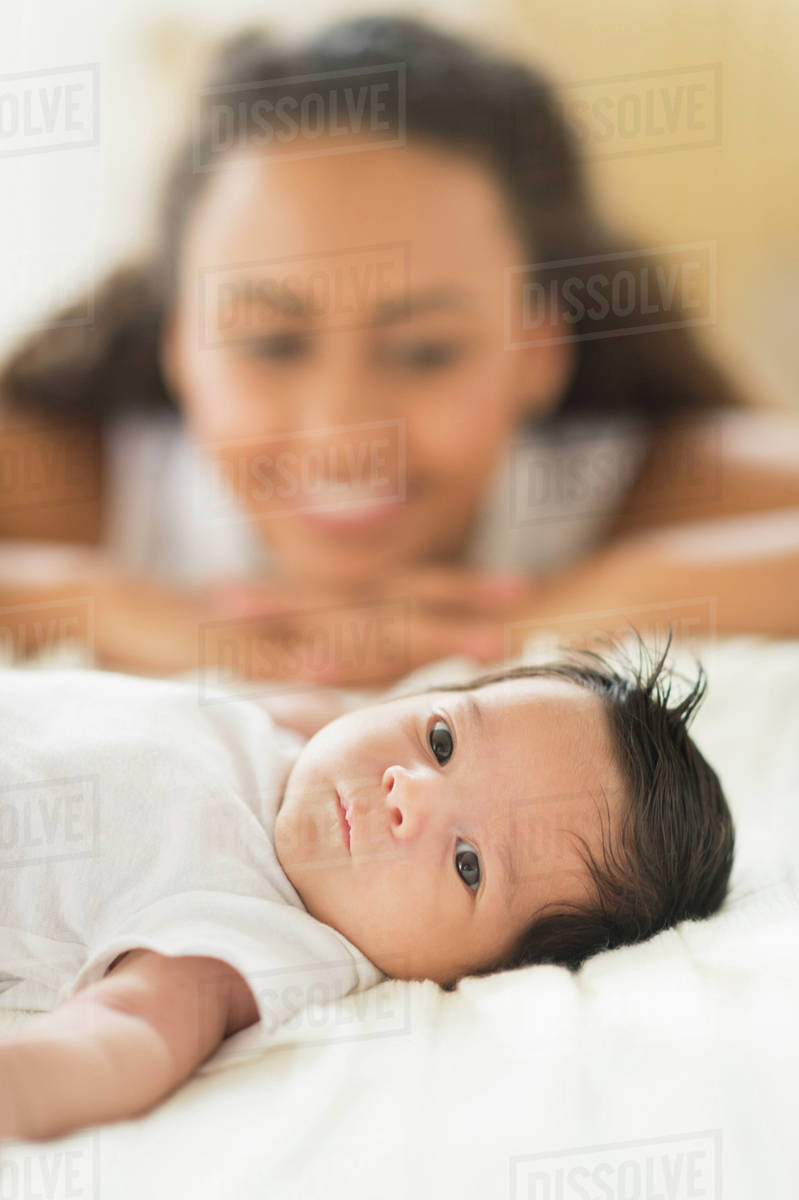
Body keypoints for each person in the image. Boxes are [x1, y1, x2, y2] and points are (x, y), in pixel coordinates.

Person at [1, 15, 797, 687]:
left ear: (538, 354)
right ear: (178, 348)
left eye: (423, 352)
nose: (345, 432)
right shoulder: (91, 480)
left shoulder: (627, 488)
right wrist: (84, 604)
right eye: (272, 344)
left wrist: (562, 617)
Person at [0, 639, 733, 1141]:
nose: (407, 794)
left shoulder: (254, 935)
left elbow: (122, 1039)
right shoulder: (298, 737)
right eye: (441, 741)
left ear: (480, 973)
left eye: (468, 864)